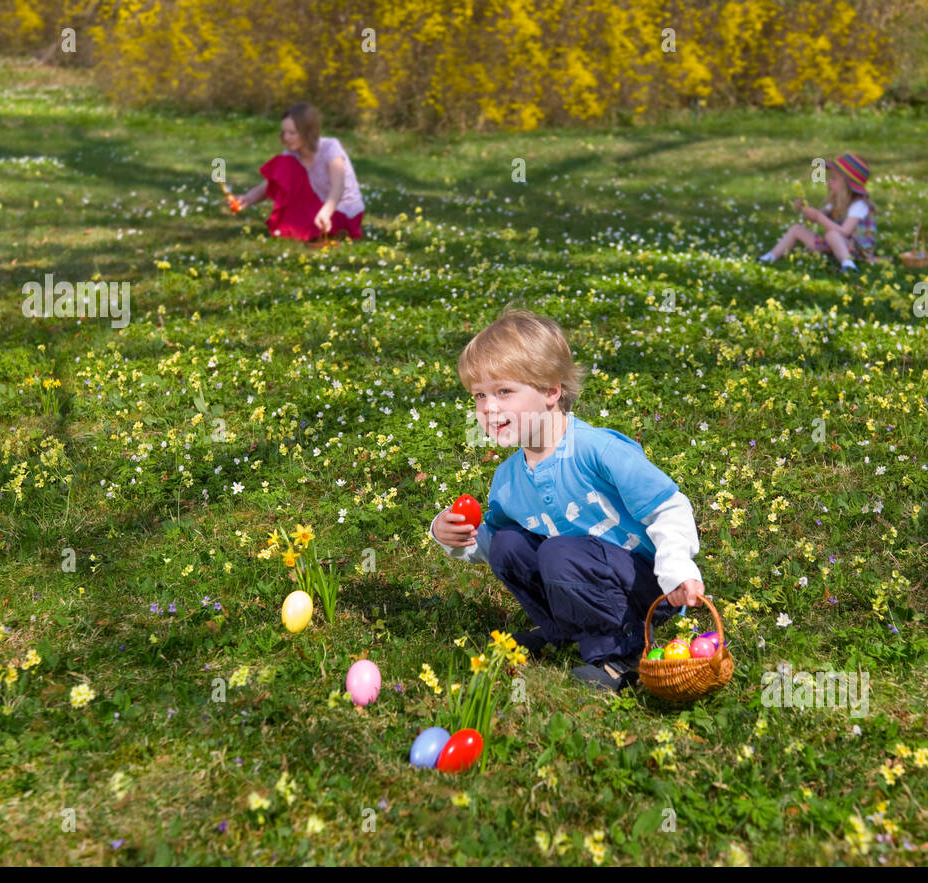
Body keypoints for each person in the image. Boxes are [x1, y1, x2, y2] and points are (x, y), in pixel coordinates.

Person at [428, 307, 706, 693]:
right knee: (509, 543)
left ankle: (621, 653)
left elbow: (669, 507)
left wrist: (676, 568)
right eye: (479, 395)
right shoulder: (507, 479)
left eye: (504, 391)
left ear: (550, 391)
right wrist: (454, 534)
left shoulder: (597, 450)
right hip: (581, 575)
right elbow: (497, 549)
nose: (489, 409)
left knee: (558, 553)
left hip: (644, 586)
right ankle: (562, 629)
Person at [234, 102, 365, 242]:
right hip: (317, 206)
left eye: (292, 133)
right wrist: (247, 199)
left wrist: (326, 212)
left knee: (304, 226)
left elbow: (338, 187)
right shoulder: (292, 154)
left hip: (342, 208)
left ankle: (311, 226)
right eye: (284, 132)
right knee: (284, 164)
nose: (286, 137)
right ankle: (299, 225)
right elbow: (269, 185)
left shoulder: (330, 147)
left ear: (308, 132)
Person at [758, 153, 876, 272]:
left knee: (831, 234)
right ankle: (769, 257)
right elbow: (816, 217)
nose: (828, 182)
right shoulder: (835, 203)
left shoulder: (859, 205)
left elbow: (844, 232)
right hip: (834, 245)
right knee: (796, 229)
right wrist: (805, 208)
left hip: (857, 249)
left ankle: (848, 265)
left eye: (834, 179)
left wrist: (819, 217)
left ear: (848, 185)